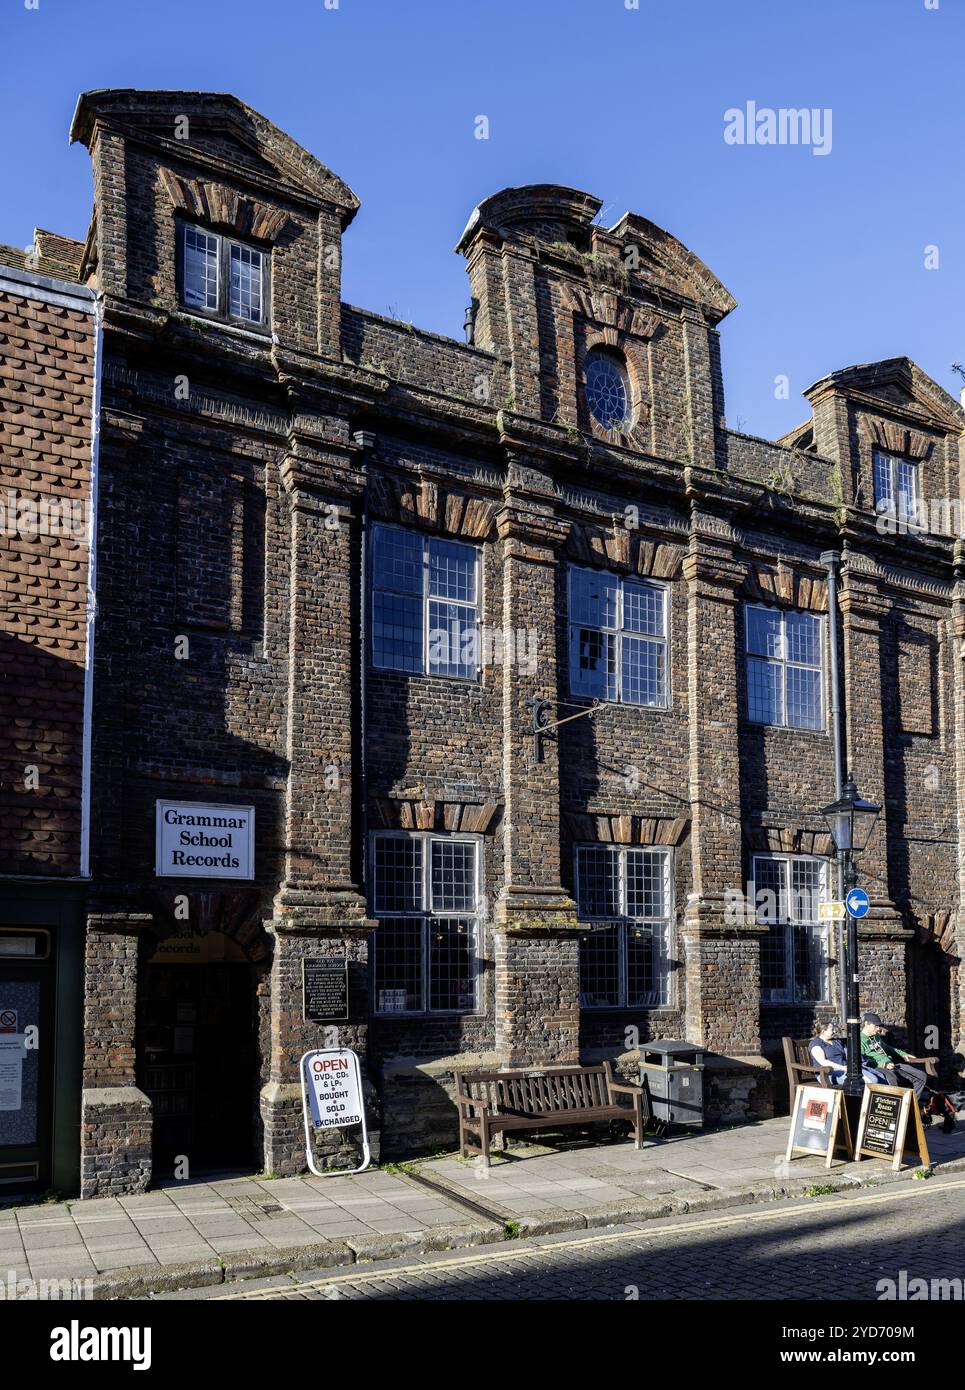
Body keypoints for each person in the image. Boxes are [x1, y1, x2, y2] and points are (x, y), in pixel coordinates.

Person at [859, 1013, 929, 1103]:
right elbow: (863, 1061)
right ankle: (895, 1110)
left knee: (920, 1076)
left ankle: (911, 1106)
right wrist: (883, 1064)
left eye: (879, 1026)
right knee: (892, 1078)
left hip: (892, 1064)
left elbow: (887, 1048)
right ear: (866, 1024)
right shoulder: (860, 1040)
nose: (878, 1029)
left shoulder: (875, 1036)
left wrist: (903, 1054)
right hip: (877, 1067)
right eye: (876, 1026)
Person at [808, 1021, 886, 1087]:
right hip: (827, 1073)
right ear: (823, 1031)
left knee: (878, 1079)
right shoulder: (816, 1043)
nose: (835, 1031)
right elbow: (823, 1062)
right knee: (870, 1082)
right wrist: (842, 1067)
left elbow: (848, 1053)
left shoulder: (836, 1041)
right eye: (832, 1029)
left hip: (847, 1070)